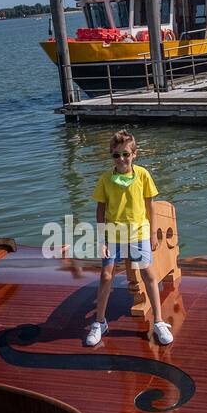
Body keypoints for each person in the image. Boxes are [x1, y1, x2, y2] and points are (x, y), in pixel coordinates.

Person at [85, 130, 174, 346]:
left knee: (147, 273)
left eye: (125, 154)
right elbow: (100, 208)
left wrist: (153, 233)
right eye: (116, 155)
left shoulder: (142, 174)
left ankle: (159, 321)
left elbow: (150, 205)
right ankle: (99, 322)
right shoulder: (106, 179)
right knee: (106, 275)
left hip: (139, 232)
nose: (121, 159)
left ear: (134, 154)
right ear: (111, 156)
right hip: (114, 234)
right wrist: (101, 239)